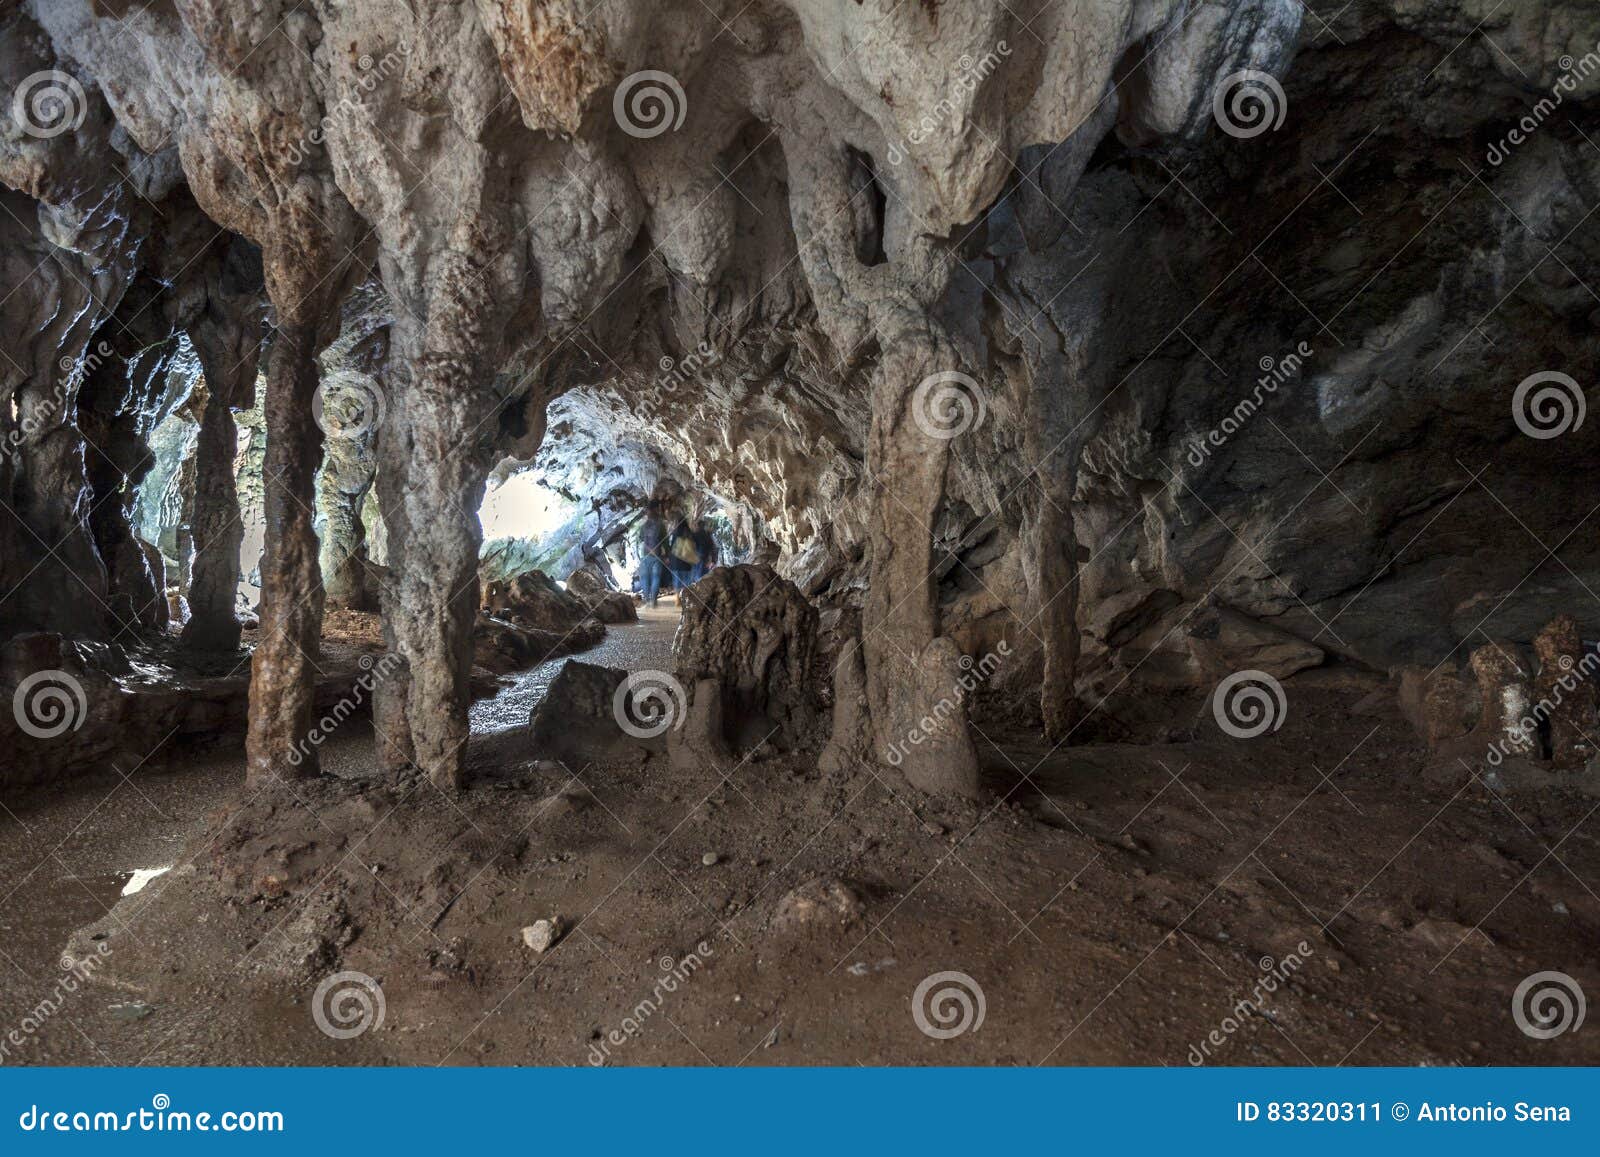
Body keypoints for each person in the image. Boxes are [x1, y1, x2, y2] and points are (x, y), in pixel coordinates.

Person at [637, 503, 666, 607]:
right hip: (657, 555)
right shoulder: (661, 525)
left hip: (645, 554)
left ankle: (647, 599)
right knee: (656, 577)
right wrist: (667, 554)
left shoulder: (643, 526)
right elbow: (665, 541)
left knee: (644, 577)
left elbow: (640, 539)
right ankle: (654, 600)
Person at [667, 515, 699, 595]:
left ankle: (677, 598)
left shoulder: (674, 533)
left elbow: (671, 548)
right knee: (687, 583)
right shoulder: (690, 534)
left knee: (677, 583)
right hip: (687, 562)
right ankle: (686, 597)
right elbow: (695, 547)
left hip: (675, 562)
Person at [690, 518, 717, 584]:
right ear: (704, 526)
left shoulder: (694, 535)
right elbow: (713, 548)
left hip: (696, 558)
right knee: (703, 576)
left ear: (698, 526)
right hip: (705, 558)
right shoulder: (708, 536)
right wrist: (713, 560)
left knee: (696, 576)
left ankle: (697, 586)